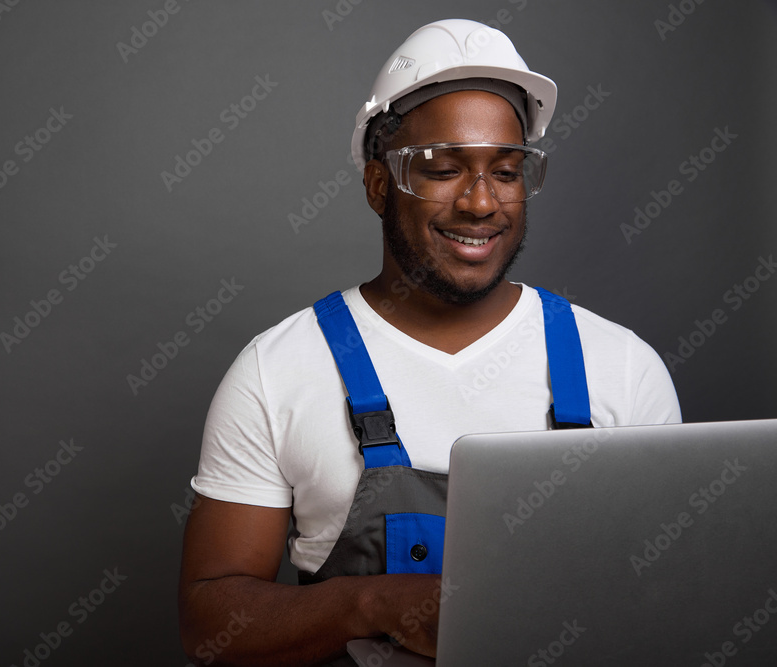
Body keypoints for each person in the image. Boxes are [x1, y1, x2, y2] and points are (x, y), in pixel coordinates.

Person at [179, 18, 681, 666]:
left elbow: (668, 605)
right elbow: (207, 621)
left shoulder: (623, 368)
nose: (480, 202)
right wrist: (379, 604)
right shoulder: (277, 371)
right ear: (378, 183)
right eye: (443, 168)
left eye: (506, 170)